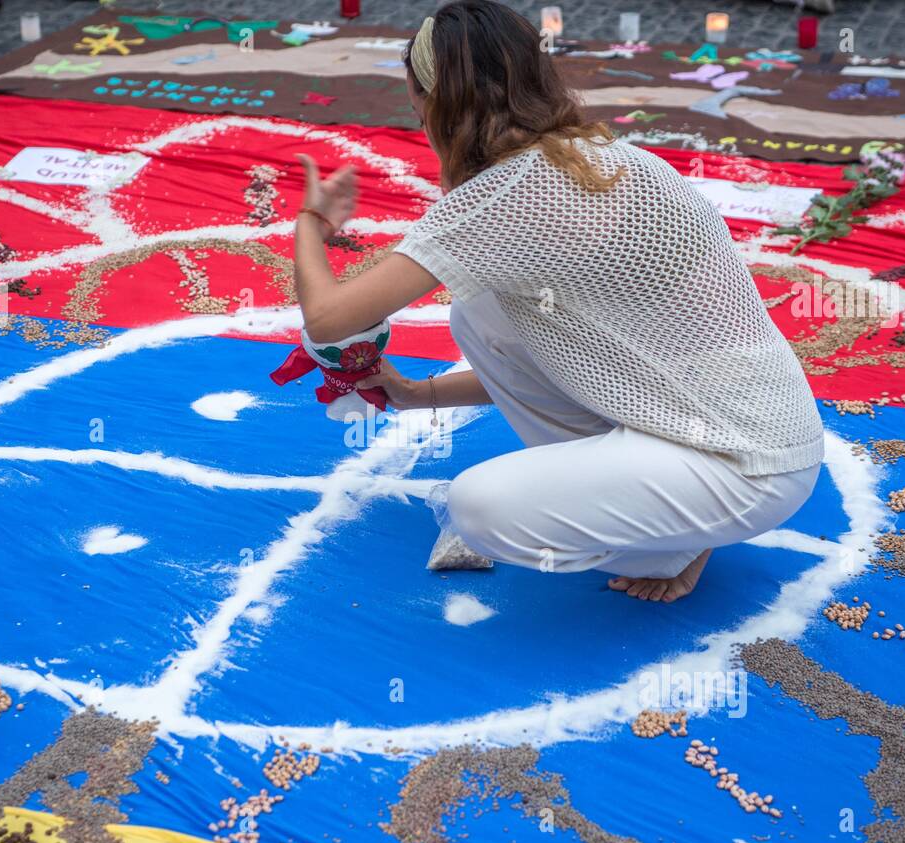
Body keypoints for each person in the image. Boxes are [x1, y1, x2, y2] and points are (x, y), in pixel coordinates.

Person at [291, 0, 823, 603]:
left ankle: (671, 543)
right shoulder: (605, 157)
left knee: (478, 509)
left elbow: (331, 318)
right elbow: (567, 355)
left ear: (436, 102)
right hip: (751, 430)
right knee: (485, 307)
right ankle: (668, 518)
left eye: (416, 99)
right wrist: (418, 397)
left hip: (742, 466)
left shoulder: (505, 197)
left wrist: (310, 224)